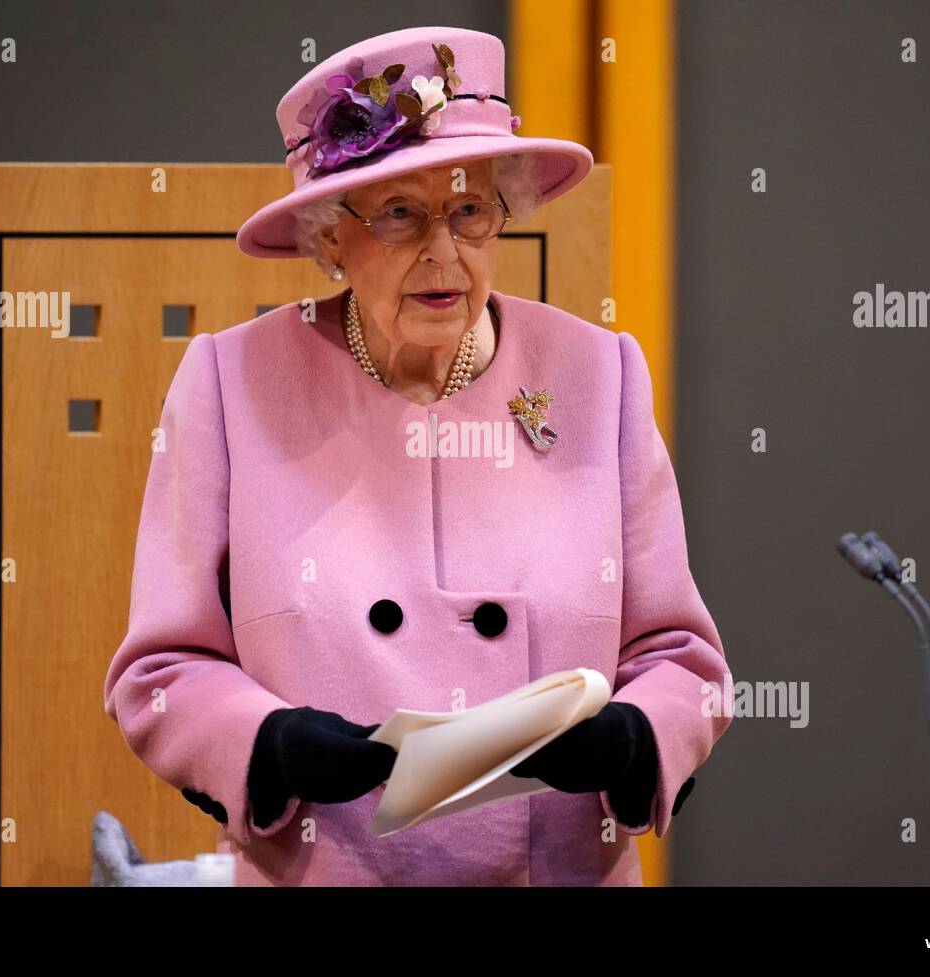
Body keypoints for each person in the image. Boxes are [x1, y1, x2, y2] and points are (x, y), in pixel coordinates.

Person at [103, 25, 732, 886]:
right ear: (330, 238)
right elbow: (161, 670)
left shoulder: (599, 373)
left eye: (470, 209)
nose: (444, 252)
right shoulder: (231, 381)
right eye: (400, 213)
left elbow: (683, 660)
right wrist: (266, 744)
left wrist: (640, 735)